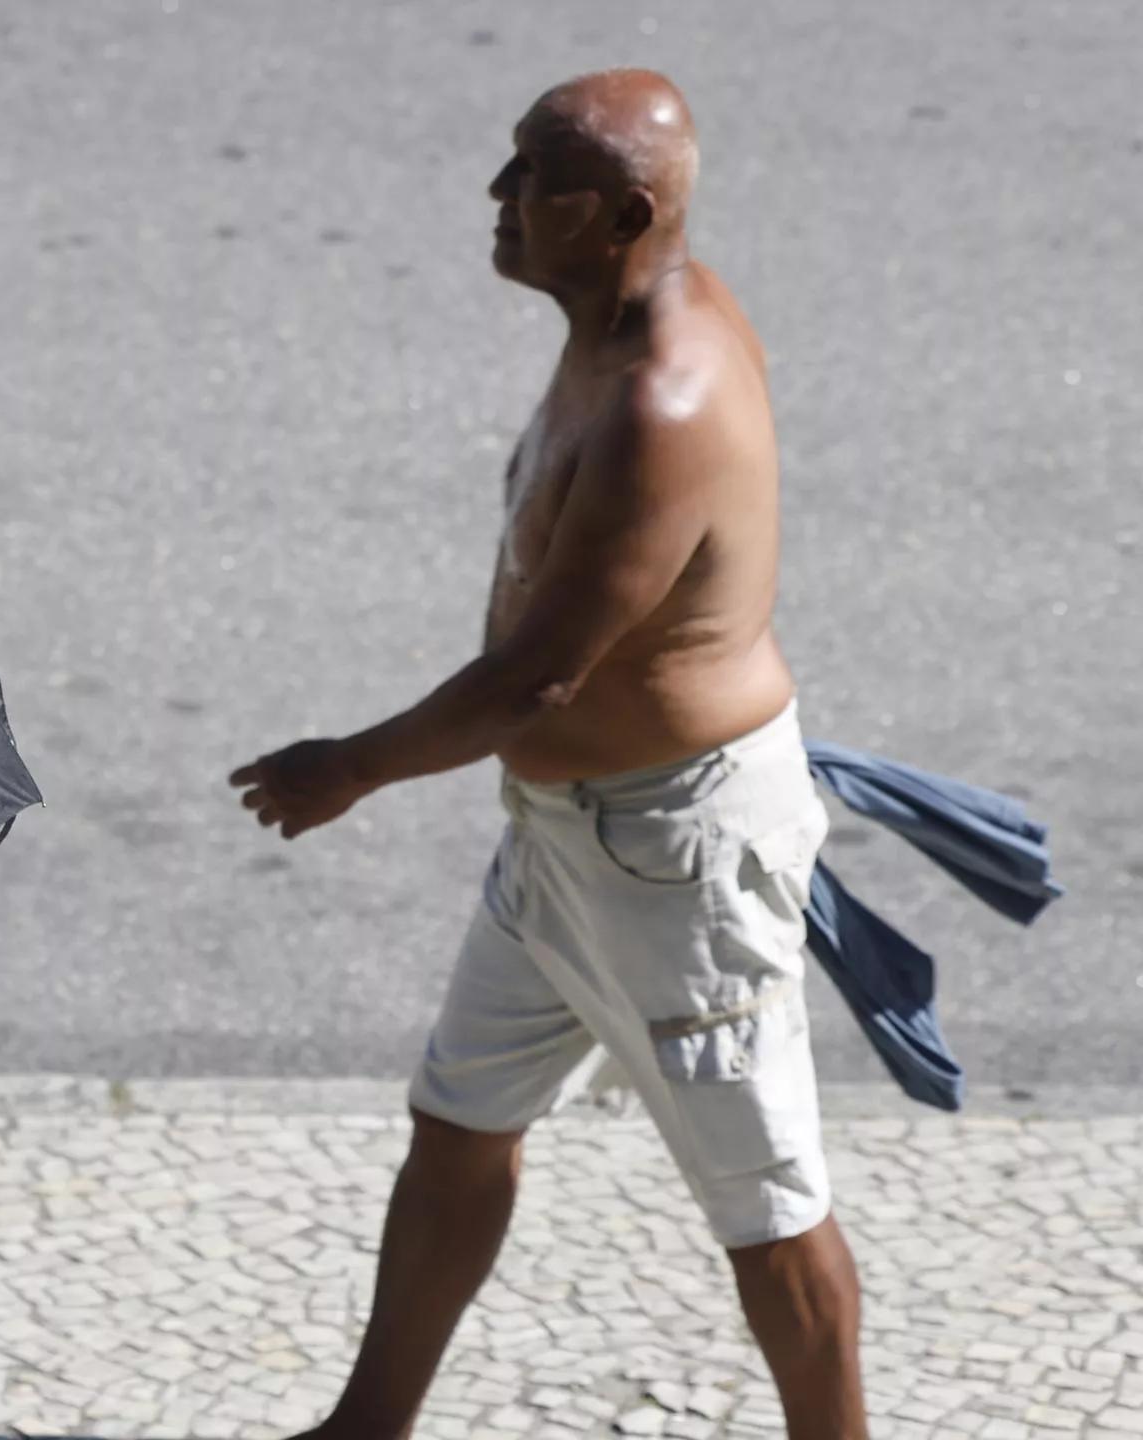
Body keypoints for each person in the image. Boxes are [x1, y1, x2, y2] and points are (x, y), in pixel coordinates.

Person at [230, 71, 866, 1438]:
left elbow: (541, 674)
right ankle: (367, 1428)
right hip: (568, 838)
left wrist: (350, 767)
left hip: (674, 863)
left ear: (624, 213)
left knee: (768, 1206)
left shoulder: (665, 404)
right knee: (460, 1120)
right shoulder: (610, 319)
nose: (497, 197)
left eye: (534, 178)